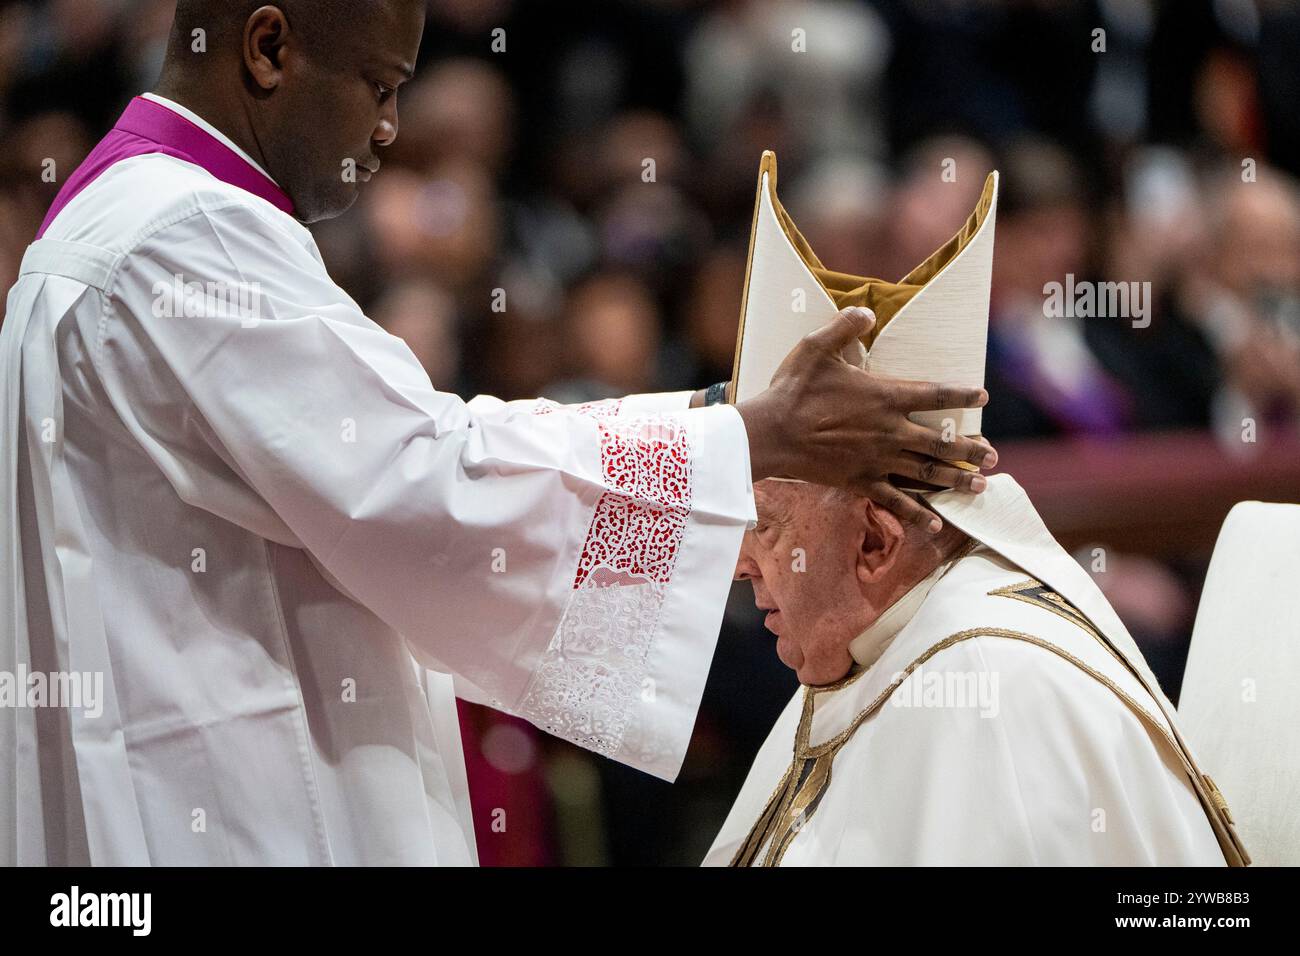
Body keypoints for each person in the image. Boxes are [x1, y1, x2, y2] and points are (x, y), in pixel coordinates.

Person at [0, 0, 993, 865]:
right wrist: (748, 443)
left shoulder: (108, 216)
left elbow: (418, 445)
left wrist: (713, 425)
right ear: (267, 48)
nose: (391, 128)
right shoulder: (189, 231)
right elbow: (426, 486)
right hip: (223, 804)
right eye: (379, 85)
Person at [703, 147, 1248, 867]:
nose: (739, 565)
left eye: (764, 526)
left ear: (876, 541)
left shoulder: (990, 698)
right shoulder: (884, 646)